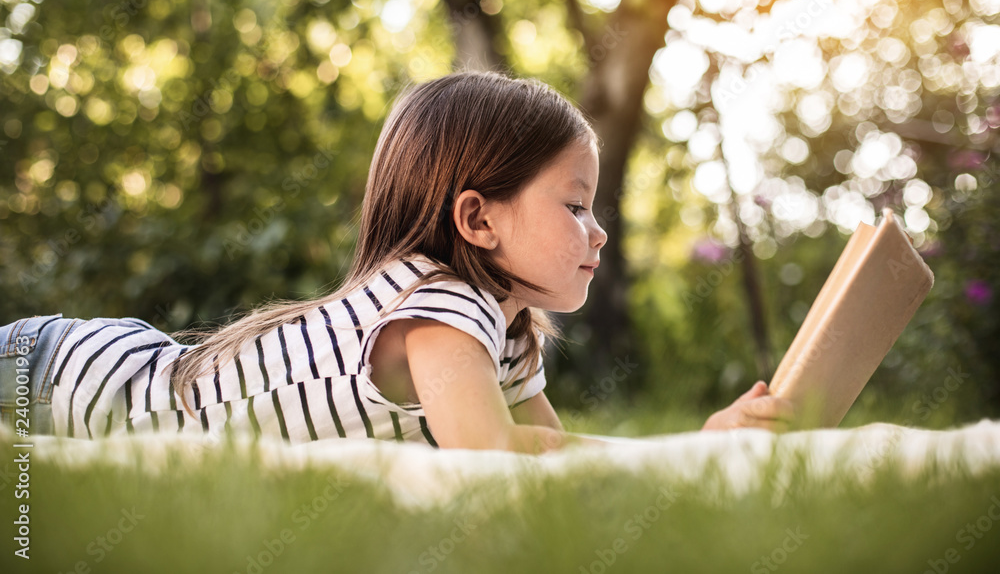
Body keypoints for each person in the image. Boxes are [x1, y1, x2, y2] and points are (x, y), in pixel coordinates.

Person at [0, 71, 792, 452]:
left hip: (96, 367)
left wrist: (703, 442)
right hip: (79, 380)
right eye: (575, 204)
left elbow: (565, 466)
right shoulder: (442, 306)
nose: (600, 232)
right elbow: (495, 459)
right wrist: (695, 449)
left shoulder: (503, 335)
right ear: (477, 219)